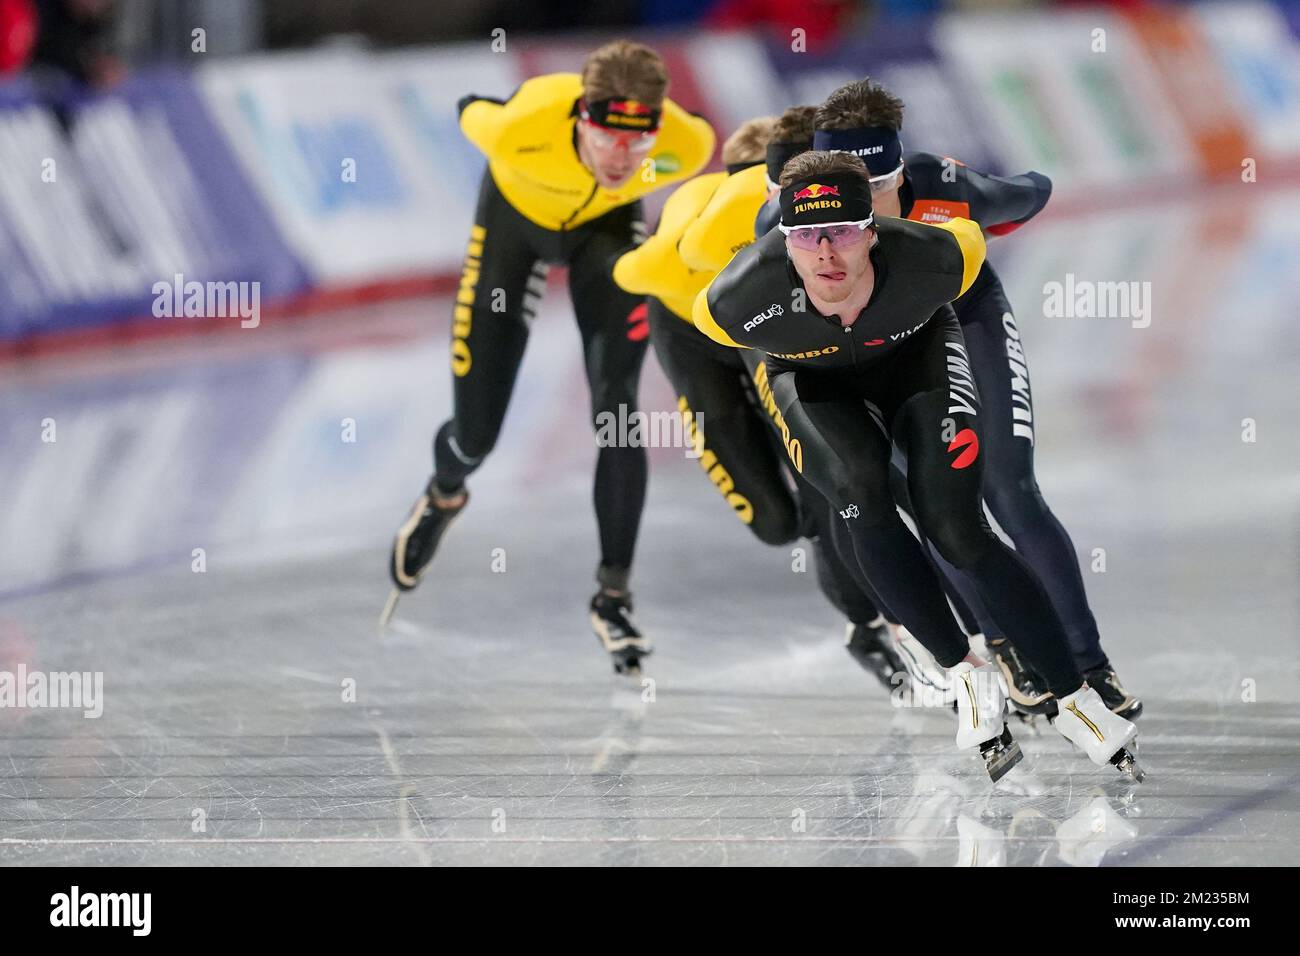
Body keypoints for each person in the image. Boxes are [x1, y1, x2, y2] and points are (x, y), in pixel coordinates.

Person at [695, 149, 1143, 780]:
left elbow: (998, 216)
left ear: (872, 230)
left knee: (959, 531)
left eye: (844, 232)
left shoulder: (938, 257)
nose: (826, 254)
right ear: (783, 239)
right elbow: (700, 345)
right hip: (813, 384)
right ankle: (964, 674)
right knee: (859, 498)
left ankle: (1075, 697)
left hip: (918, 363)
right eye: (806, 237)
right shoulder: (735, 300)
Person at [801, 78, 1141, 719]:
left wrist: (993, 218)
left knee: (1010, 488)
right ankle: (1006, 645)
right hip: (876, 348)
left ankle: (1089, 665)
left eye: (878, 191)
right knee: (936, 504)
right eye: (850, 199)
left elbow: (1029, 193)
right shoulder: (794, 215)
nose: (867, 213)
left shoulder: (946, 188)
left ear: (902, 171)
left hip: (961, 315)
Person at [386, 41, 716, 675]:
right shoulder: (522, 124)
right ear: (579, 120)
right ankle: (445, 492)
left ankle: (613, 596)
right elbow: (467, 106)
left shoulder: (684, 142)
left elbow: (694, 142)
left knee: (618, 412)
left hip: (606, 236)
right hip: (514, 225)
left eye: (638, 143)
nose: (621, 157)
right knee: (476, 434)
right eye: (607, 138)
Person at [613, 111, 906, 689]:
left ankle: (868, 622)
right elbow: (638, 270)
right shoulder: (717, 213)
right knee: (784, 516)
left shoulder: (801, 214)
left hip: (757, 321)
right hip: (693, 331)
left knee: (820, 483)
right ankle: (874, 618)